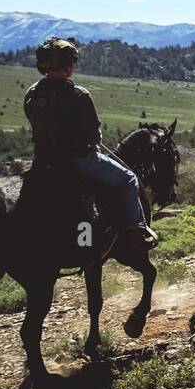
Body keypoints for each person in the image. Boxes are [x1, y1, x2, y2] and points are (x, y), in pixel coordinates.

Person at [23, 37, 157, 249]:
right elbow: (94, 134)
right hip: (79, 159)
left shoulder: (32, 93)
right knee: (129, 179)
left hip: (43, 160)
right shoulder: (79, 94)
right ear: (67, 66)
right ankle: (136, 230)